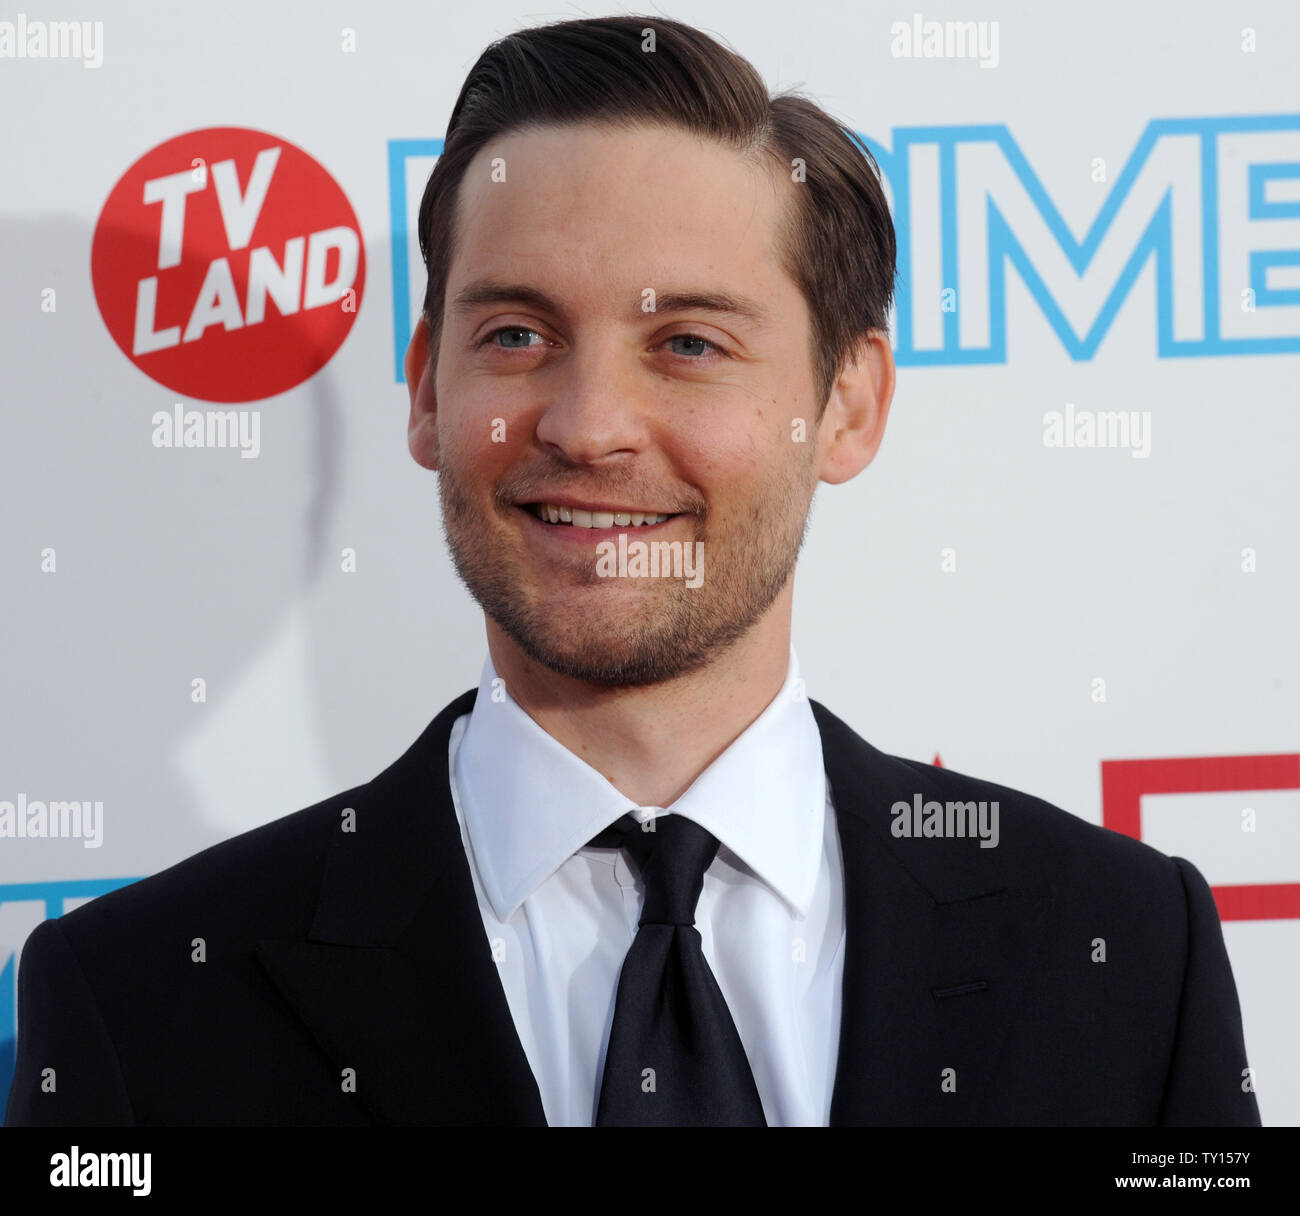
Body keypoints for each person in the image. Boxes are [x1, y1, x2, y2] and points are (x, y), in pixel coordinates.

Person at [5, 14, 1259, 1127]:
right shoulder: (140, 1001)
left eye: (688, 343)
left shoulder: (1122, 951)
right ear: (426, 390)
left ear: (849, 404)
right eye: (516, 334)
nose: (589, 424)